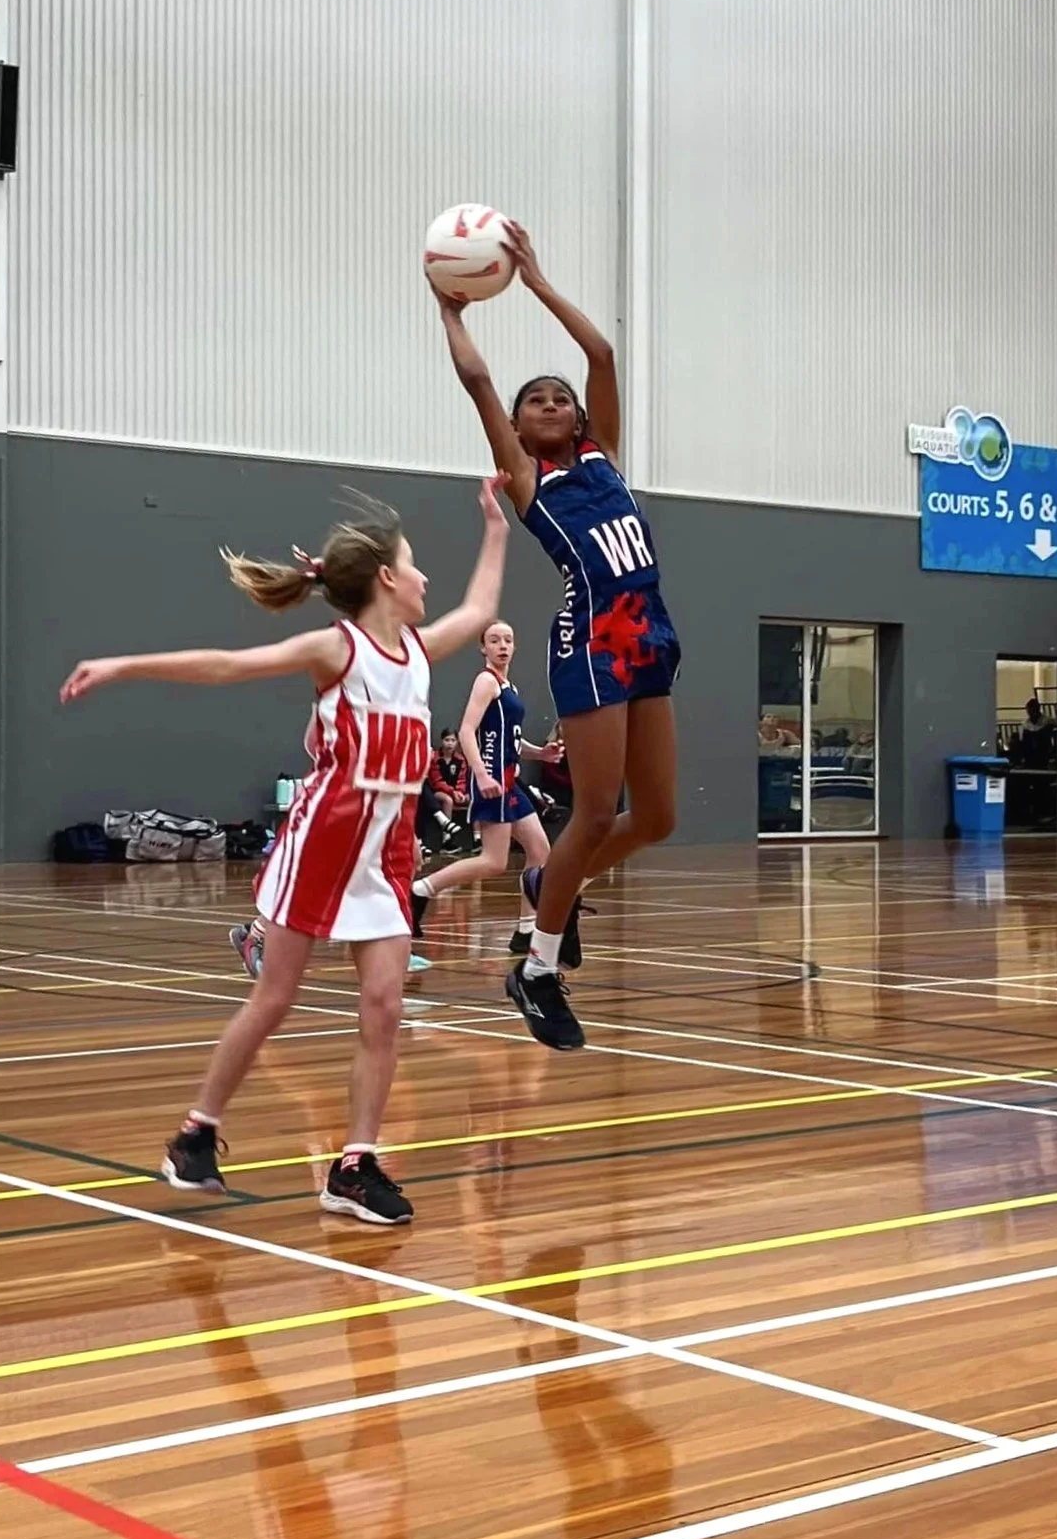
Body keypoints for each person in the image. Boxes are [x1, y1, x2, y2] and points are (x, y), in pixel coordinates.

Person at [59, 477, 510, 1224]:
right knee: (275, 998)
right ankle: (194, 1134)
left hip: (385, 857)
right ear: (388, 581)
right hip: (321, 844)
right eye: (416, 563)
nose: (428, 577)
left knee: (386, 1006)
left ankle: (355, 1166)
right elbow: (228, 666)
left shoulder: (422, 654)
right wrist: (124, 665)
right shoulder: (337, 649)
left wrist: (495, 525)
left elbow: (480, 607)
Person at [433, 221, 679, 1052]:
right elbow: (477, 382)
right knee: (597, 809)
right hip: (591, 640)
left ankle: (547, 881)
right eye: (536, 400)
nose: (553, 402)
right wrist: (451, 311)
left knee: (658, 819)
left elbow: (602, 355)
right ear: (520, 428)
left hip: (650, 632)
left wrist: (536, 280)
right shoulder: (533, 484)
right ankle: (538, 965)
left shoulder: (603, 455)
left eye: (560, 397)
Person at [410, 619, 563, 957]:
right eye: (494, 640)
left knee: (540, 851)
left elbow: (513, 741)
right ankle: (421, 890)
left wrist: (542, 753)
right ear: (483, 648)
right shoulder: (486, 681)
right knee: (494, 862)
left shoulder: (511, 689)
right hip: (492, 784)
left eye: (508, 639)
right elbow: (467, 732)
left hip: (509, 782)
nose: (502, 645)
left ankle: (525, 930)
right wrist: (480, 775)